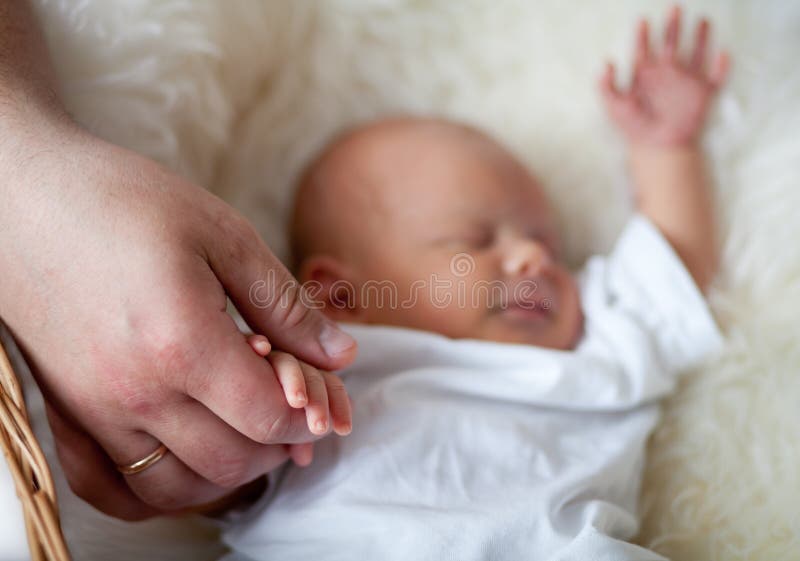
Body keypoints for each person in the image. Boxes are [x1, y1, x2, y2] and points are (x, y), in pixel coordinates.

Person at [219, 6, 728, 560]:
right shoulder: (316, 381)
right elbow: (204, 474)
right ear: (344, 298)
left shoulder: (596, 341)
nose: (533, 255)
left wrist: (665, 148)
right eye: (476, 239)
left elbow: (672, 260)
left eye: (548, 245)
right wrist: (250, 392)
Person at [0, 1, 357, 520]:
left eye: (525, 224)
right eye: (475, 235)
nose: (523, 254)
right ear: (338, 288)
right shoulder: (388, 366)